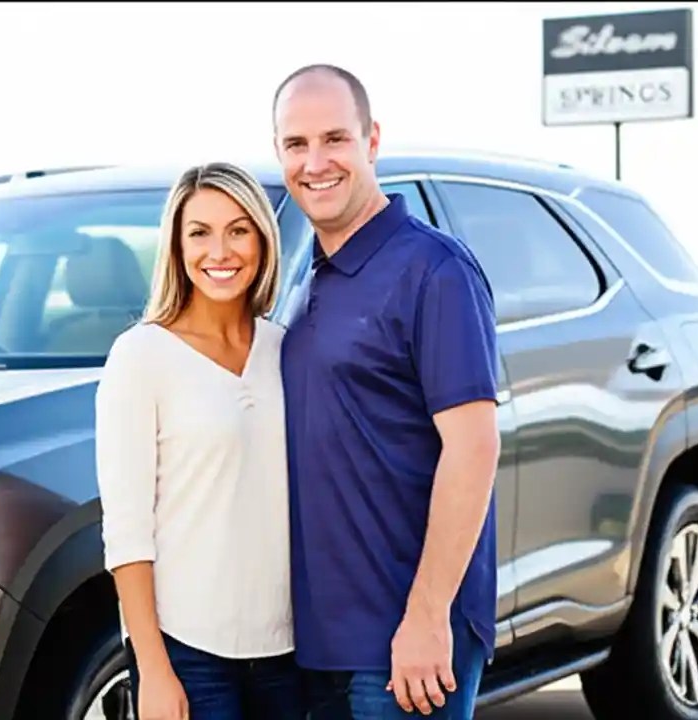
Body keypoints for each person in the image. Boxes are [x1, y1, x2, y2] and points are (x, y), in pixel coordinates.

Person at [272, 64, 501, 719]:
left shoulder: (434, 269)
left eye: (334, 139)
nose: (315, 162)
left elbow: (473, 448)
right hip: (318, 644)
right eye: (295, 144)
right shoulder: (303, 281)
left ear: (372, 141)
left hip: (407, 639)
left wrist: (428, 616)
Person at [95, 161, 303, 720]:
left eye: (238, 230)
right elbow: (127, 532)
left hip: (290, 652)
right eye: (200, 233)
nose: (221, 251)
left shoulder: (287, 350)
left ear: (262, 239)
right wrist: (154, 669)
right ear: (176, 246)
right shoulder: (141, 356)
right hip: (188, 653)